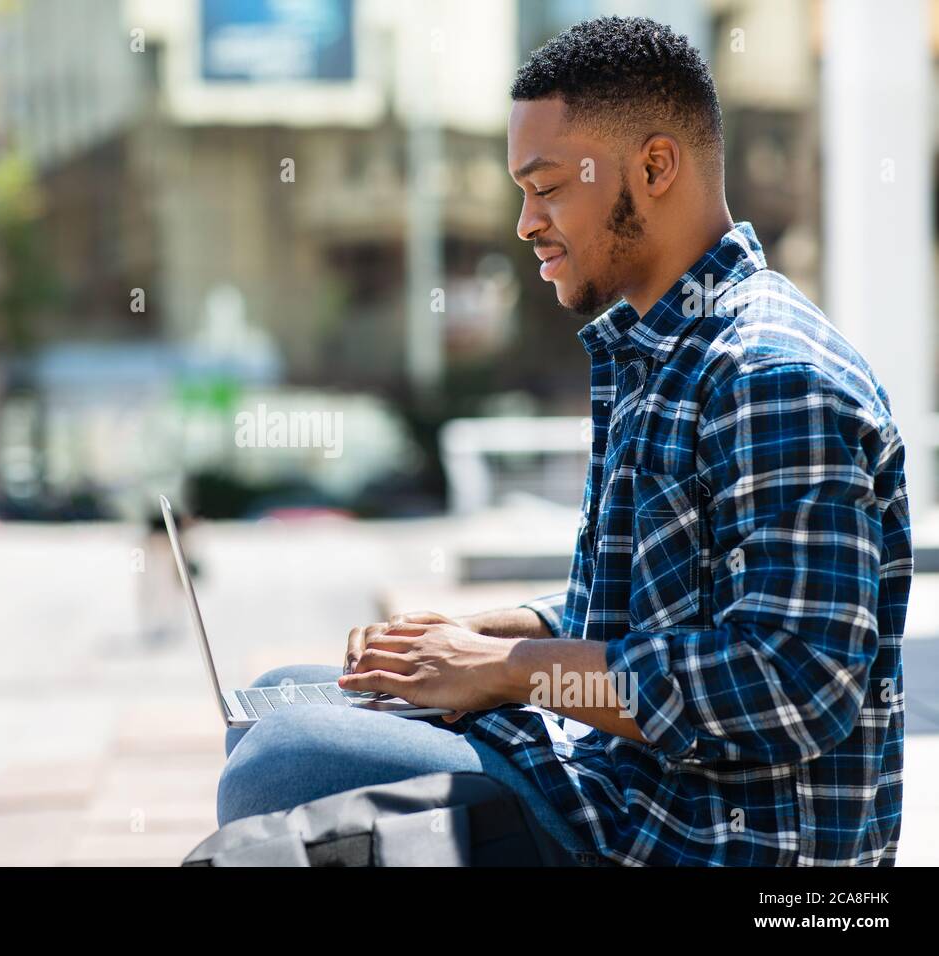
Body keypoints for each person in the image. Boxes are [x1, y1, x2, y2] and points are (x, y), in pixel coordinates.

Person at [217, 15, 909, 866]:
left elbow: (794, 683)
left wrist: (510, 668)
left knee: (285, 765)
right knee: (286, 700)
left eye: (545, 187)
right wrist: (467, 639)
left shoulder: (772, 375)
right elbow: (631, 614)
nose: (524, 223)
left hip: (714, 844)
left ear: (655, 167)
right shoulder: (662, 351)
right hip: (626, 793)